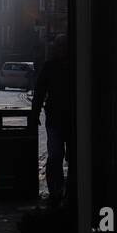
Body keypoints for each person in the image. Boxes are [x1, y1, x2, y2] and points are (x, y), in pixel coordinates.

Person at [31, 35, 72, 205]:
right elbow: (40, 91)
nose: (60, 49)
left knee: (65, 155)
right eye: (59, 46)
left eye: (63, 46)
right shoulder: (51, 66)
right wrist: (35, 112)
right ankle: (56, 190)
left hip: (66, 117)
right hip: (57, 117)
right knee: (56, 155)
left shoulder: (70, 65)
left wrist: (35, 112)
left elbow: (40, 90)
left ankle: (64, 190)